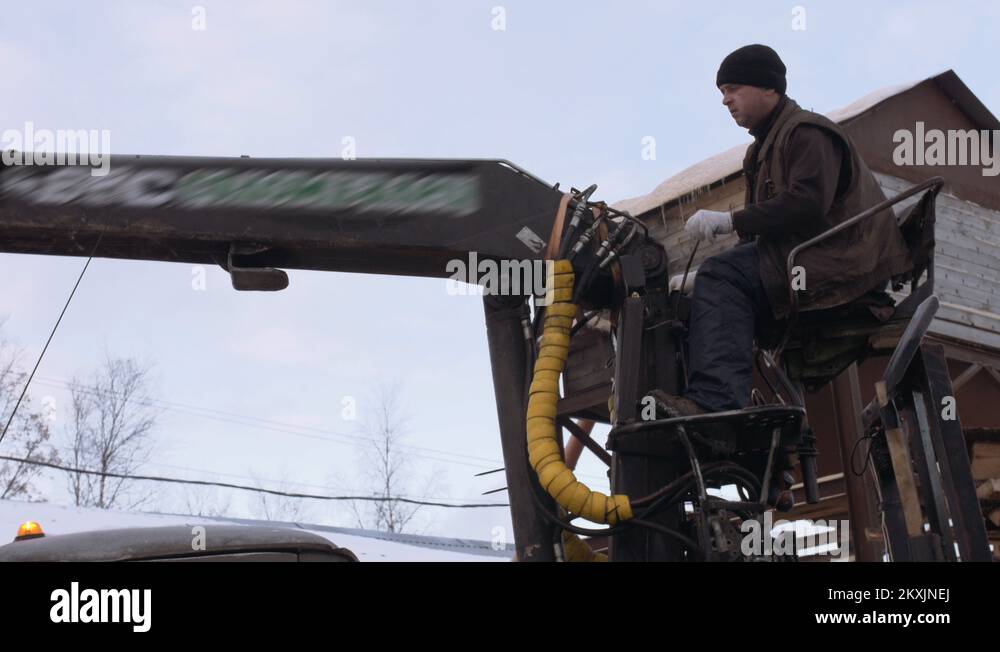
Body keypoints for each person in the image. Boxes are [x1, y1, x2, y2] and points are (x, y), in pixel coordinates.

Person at [654, 44, 910, 417]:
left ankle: (716, 404)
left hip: (837, 263)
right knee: (697, 296)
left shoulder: (807, 132)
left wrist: (729, 222)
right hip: (799, 261)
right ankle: (704, 409)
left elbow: (807, 205)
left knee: (721, 277)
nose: (726, 101)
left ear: (769, 88)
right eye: (722, 93)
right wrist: (699, 279)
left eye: (733, 89)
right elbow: (759, 240)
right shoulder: (761, 150)